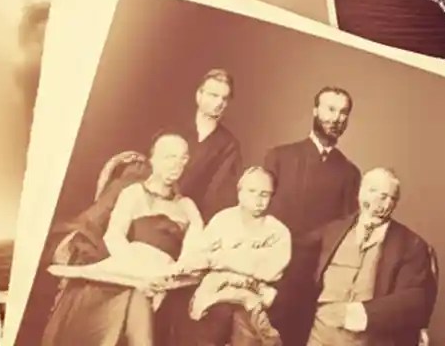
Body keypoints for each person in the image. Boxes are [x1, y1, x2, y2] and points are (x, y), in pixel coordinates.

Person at [40, 132, 205, 346]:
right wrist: (137, 271)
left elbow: (193, 251)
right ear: (153, 159)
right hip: (125, 266)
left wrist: (171, 274)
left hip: (163, 274)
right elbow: (114, 235)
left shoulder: (187, 207)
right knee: (106, 293)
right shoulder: (133, 193)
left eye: (182, 158)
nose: (176, 165)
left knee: (139, 294)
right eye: (169, 157)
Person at [262, 86, 362, 346]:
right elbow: (259, 210)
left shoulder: (350, 173)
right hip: (268, 266)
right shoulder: (280, 156)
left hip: (311, 277)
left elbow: (343, 228)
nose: (336, 118)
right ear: (315, 110)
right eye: (330, 109)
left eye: (343, 113)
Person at [305, 168, 436, 346]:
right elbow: (298, 268)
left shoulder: (411, 245)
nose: (387, 205)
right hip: (321, 334)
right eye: (382, 196)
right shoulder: (331, 231)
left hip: (369, 339)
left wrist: (361, 313)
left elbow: (415, 299)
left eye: (393, 199)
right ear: (362, 192)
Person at [185, 166, 292, 346]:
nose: (258, 200)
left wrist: (224, 258)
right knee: (221, 317)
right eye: (252, 192)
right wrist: (249, 258)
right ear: (240, 192)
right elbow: (202, 256)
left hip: (255, 292)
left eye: (265, 194)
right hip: (218, 290)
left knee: (245, 323)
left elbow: (269, 272)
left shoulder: (278, 231)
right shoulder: (222, 220)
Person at [174, 68, 243, 221]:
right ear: (199, 95)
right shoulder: (173, 132)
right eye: (213, 95)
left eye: (224, 98)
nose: (219, 103)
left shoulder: (229, 145)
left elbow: (219, 197)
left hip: (193, 220)